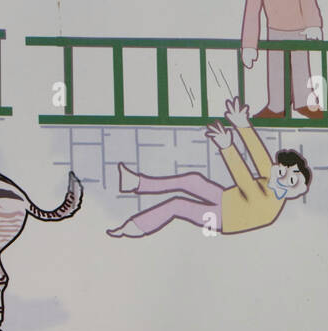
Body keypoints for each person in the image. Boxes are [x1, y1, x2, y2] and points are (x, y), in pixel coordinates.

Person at [107, 97, 311, 237]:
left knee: (178, 205)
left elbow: (245, 182)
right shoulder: (273, 179)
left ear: (297, 189)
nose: (283, 176)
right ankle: (136, 182)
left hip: (225, 218)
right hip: (228, 200)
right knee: (192, 180)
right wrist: (242, 124)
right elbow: (260, 156)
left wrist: (227, 146)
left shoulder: (271, 200)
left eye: (291, 179)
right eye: (283, 170)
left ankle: (134, 227)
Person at [240, 0, 325, 120]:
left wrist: (313, 24)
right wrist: (249, 46)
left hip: (300, 29)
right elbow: (252, 14)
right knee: (276, 68)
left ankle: (305, 102)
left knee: (301, 65)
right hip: (275, 30)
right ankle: (277, 107)